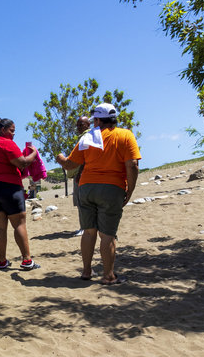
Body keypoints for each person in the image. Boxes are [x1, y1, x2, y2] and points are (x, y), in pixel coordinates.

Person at [54, 103, 141, 284]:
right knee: (107, 234)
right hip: (112, 188)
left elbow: (70, 164)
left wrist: (60, 158)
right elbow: (132, 164)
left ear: (97, 120)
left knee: (88, 232)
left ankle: (86, 272)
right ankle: (108, 276)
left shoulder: (88, 138)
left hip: (86, 188)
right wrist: (129, 190)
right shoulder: (125, 135)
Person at [0, 117, 44, 271]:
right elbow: (22, 162)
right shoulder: (7, 143)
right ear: (3, 130)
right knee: (19, 223)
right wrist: (34, 154)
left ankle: (2, 261)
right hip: (8, 187)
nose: (14, 134)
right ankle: (27, 260)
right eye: (12, 130)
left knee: (0, 226)